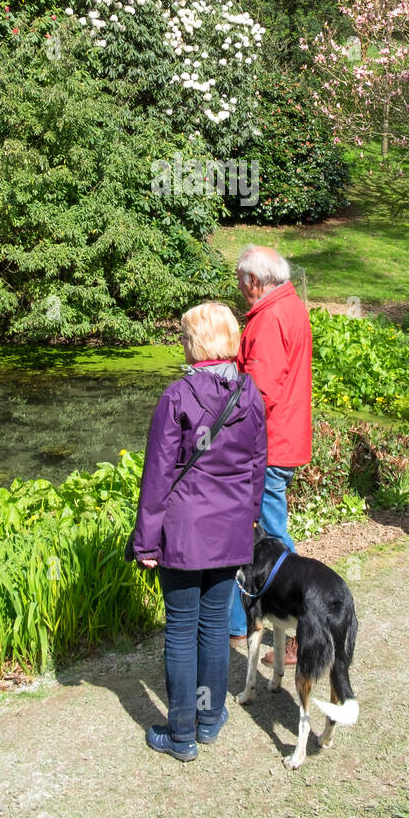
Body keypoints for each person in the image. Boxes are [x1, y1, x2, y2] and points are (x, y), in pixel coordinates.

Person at [130, 301, 267, 762]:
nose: (182, 343)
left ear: (196, 342)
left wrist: (145, 540)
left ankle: (182, 733)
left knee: (182, 629)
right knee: (212, 628)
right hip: (229, 532)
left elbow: (157, 476)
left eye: (185, 336)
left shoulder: (178, 396)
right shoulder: (249, 393)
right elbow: (256, 468)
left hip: (185, 532)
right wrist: (247, 519)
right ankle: (209, 720)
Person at [228, 245, 312, 665]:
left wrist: (226, 436)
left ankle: (299, 625)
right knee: (259, 535)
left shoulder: (267, 318)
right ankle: (242, 624)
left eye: (241, 282)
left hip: (269, 445)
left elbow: (259, 394)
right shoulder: (291, 305)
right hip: (286, 439)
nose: (240, 289)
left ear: (255, 282)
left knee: (273, 539)